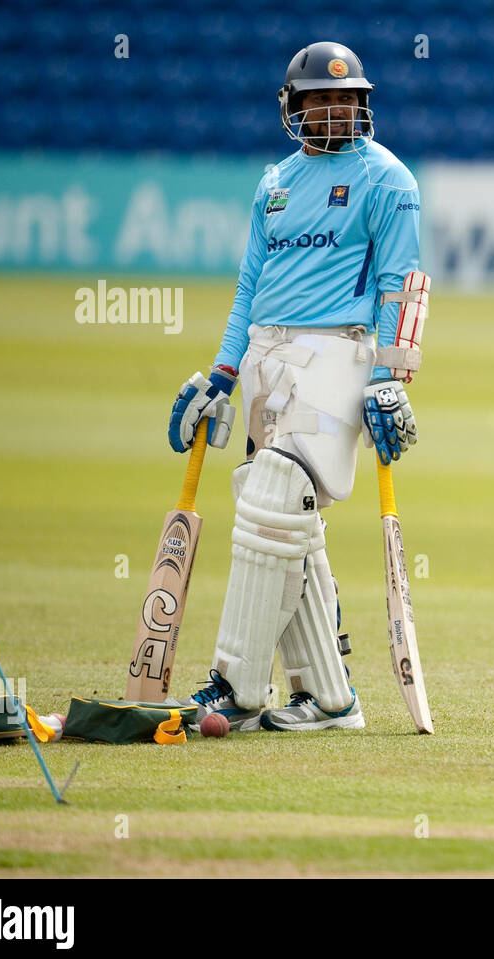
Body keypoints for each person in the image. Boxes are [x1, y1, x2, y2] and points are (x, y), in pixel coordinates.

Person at [166, 41, 428, 732]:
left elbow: (402, 282)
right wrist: (221, 376)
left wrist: (389, 376)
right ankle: (330, 698)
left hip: (341, 353)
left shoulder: (389, 179)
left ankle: (236, 684)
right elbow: (250, 285)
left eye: (350, 97)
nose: (338, 107)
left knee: (276, 491)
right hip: (266, 356)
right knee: (282, 516)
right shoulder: (274, 183)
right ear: (294, 108)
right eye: (322, 98)